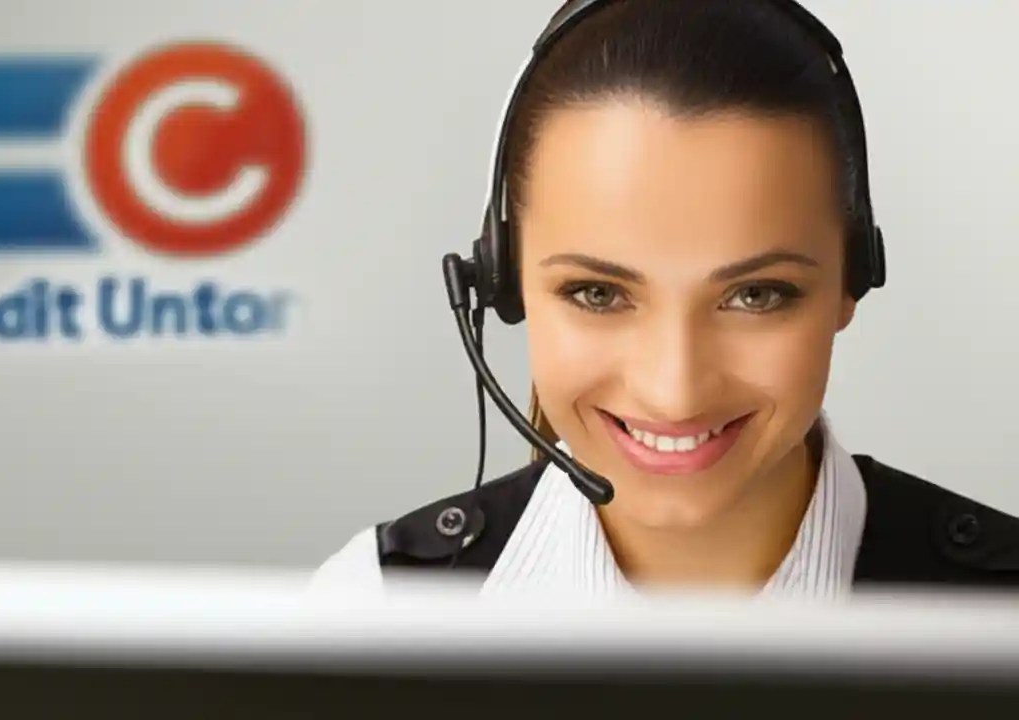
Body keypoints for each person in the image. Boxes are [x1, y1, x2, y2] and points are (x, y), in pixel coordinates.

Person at [314, 0, 1019, 597]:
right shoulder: (364, 614)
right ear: (505, 281)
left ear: (850, 278)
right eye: (597, 292)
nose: (675, 390)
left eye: (756, 295)